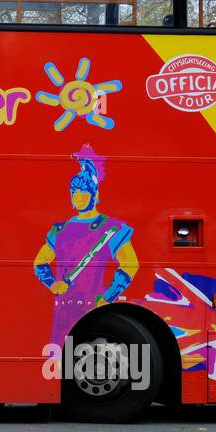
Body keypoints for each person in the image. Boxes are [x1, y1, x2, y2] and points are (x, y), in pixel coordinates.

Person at [33, 145, 138, 348]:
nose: (78, 197)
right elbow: (40, 262)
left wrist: (108, 297)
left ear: (94, 194)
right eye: (74, 192)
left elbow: (130, 264)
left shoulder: (111, 228)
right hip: (62, 313)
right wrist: (53, 283)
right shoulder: (60, 229)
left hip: (94, 309)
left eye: (83, 192)